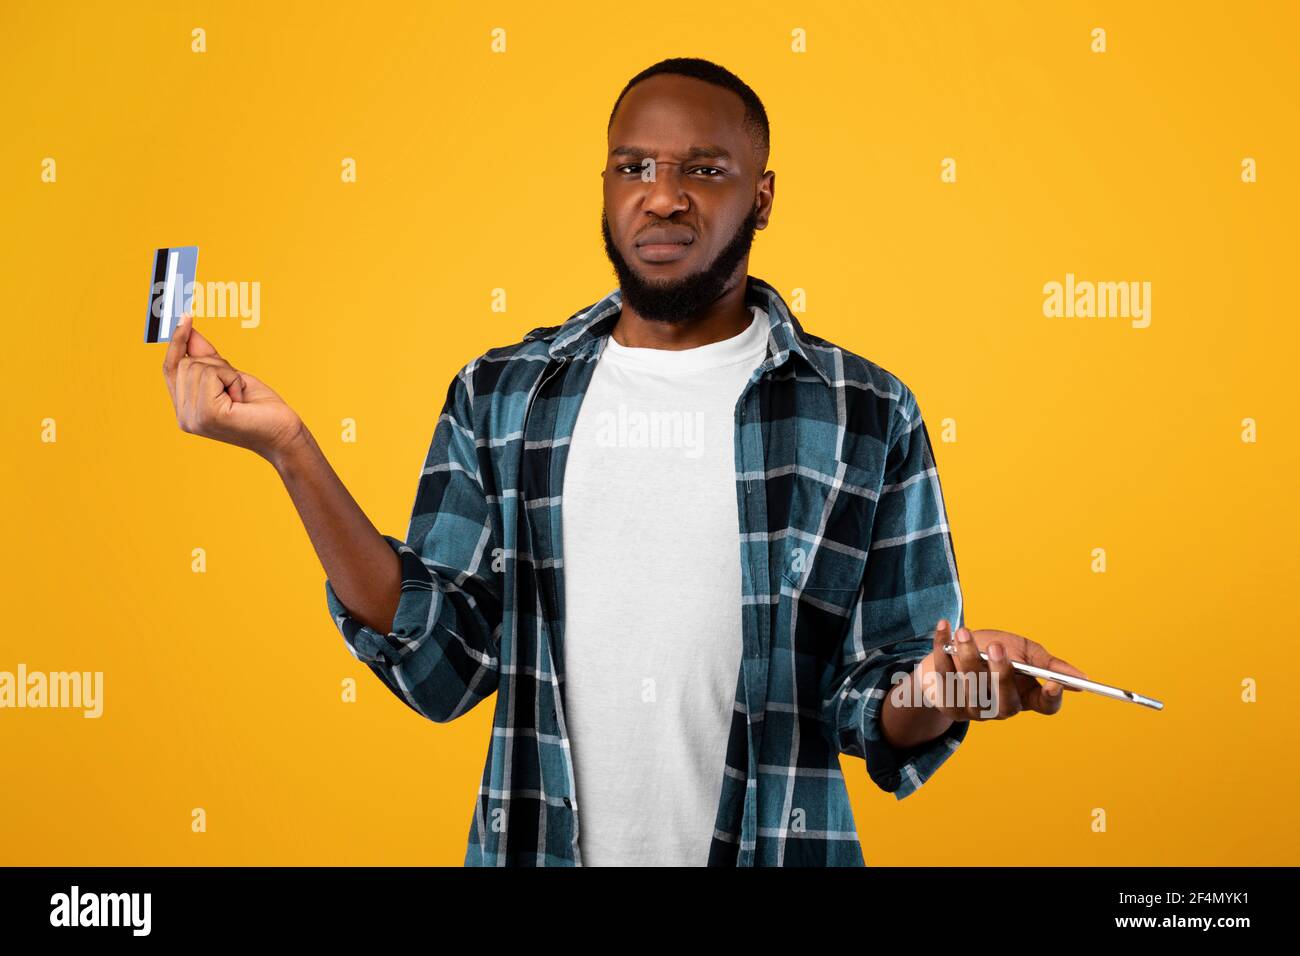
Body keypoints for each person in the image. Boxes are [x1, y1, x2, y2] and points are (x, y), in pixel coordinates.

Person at [160, 57, 1088, 867]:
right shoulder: (504, 395)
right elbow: (441, 657)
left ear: (761, 195)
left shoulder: (864, 409)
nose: (664, 193)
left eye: (704, 170)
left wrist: (946, 689)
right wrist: (291, 452)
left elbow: (871, 701)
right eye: (634, 166)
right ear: (605, 185)